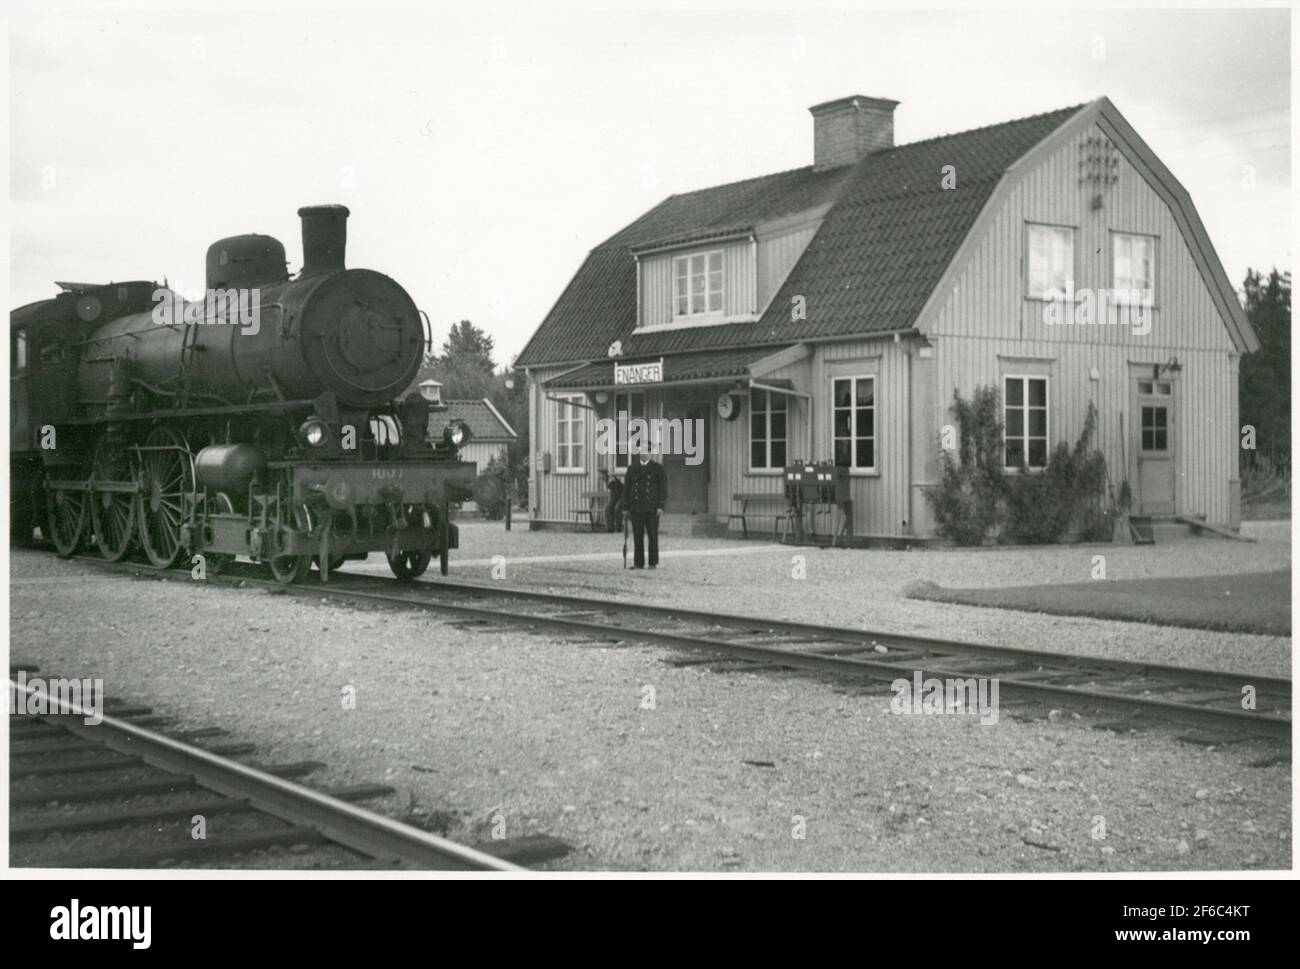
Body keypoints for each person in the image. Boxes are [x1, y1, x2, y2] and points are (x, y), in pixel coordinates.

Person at [623, 445, 666, 569]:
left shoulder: (657, 469)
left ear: (650, 453)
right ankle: (638, 563)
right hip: (636, 508)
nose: (643, 454)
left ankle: (652, 563)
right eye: (641, 452)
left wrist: (661, 506)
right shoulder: (632, 469)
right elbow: (626, 489)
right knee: (638, 536)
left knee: (652, 536)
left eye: (646, 451)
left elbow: (663, 489)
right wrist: (625, 507)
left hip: (652, 508)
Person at [600, 468, 624, 532]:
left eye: (602, 475)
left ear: (605, 475)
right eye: (601, 475)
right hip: (616, 498)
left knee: (617, 508)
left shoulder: (612, 480)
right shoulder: (608, 482)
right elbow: (613, 494)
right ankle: (610, 528)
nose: (601, 477)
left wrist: (615, 480)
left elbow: (618, 491)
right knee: (608, 509)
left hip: (623, 498)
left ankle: (618, 528)